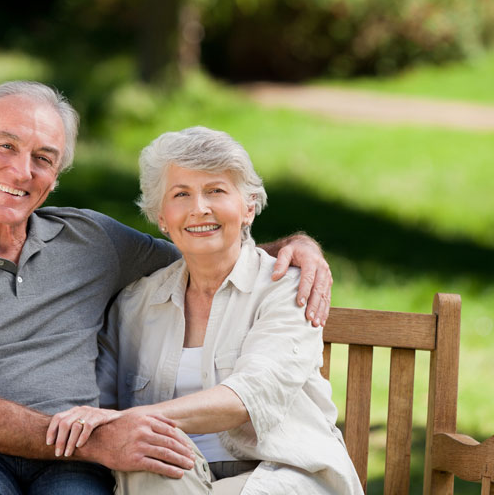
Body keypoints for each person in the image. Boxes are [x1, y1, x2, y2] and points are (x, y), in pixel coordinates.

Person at [0, 81, 333, 495]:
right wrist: (99, 439)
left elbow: (204, 249)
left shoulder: (91, 240)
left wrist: (296, 245)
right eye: (5, 146)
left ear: (57, 174)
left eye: (43, 158)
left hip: (73, 465)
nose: (23, 171)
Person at [47, 127, 362, 494]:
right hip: (180, 476)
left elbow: (249, 395)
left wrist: (126, 419)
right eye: (181, 194)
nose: (199, 208)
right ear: (161, 217)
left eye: (216, 190)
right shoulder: (136, 304)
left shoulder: (287, 288)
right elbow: (98, 403)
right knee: (146, 462)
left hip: (284, 473)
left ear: (247, 207)